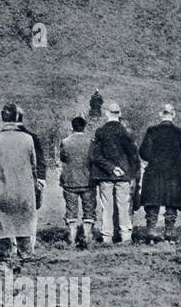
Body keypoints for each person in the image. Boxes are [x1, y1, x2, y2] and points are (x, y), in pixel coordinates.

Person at [0, 104, 39, 260]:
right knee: (23, 223)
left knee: (1, 224)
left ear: (2, 117)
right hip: (23, 191)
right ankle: (26, 254)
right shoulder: (28, 140)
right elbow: (33, 165)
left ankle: (4, 255)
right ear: (17, 117)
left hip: (0, 190)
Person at [89, 102, 141, 245]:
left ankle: (107, 237)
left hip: (105, 175)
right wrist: (134, 175)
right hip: (124, 176)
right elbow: (134, 157)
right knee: (124, 207)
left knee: (107, 207)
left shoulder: (100, 132)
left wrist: (111, 168)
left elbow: (95, 156)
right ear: (120, 114)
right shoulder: (126, 133)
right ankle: (126, 236)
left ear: (107, 113)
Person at [138, 104, 181, 237]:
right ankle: (169, 230)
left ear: (160, 114)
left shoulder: (151, 131)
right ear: (173, 114)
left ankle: (151, 230)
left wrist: (152, 160)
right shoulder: (180, 132)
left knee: (153, 200)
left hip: (154, 171)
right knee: (172, 201)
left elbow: (143, 152)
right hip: (174, 173)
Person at [59, 116, 95, 248]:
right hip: (88, 180)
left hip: (70, 181)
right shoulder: (91, 142)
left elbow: (63, 158)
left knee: (71, 210)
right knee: (89, 209)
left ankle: (71, 239)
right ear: (84, 126)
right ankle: (87, 236)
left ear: (72, 126)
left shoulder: (65, 141)